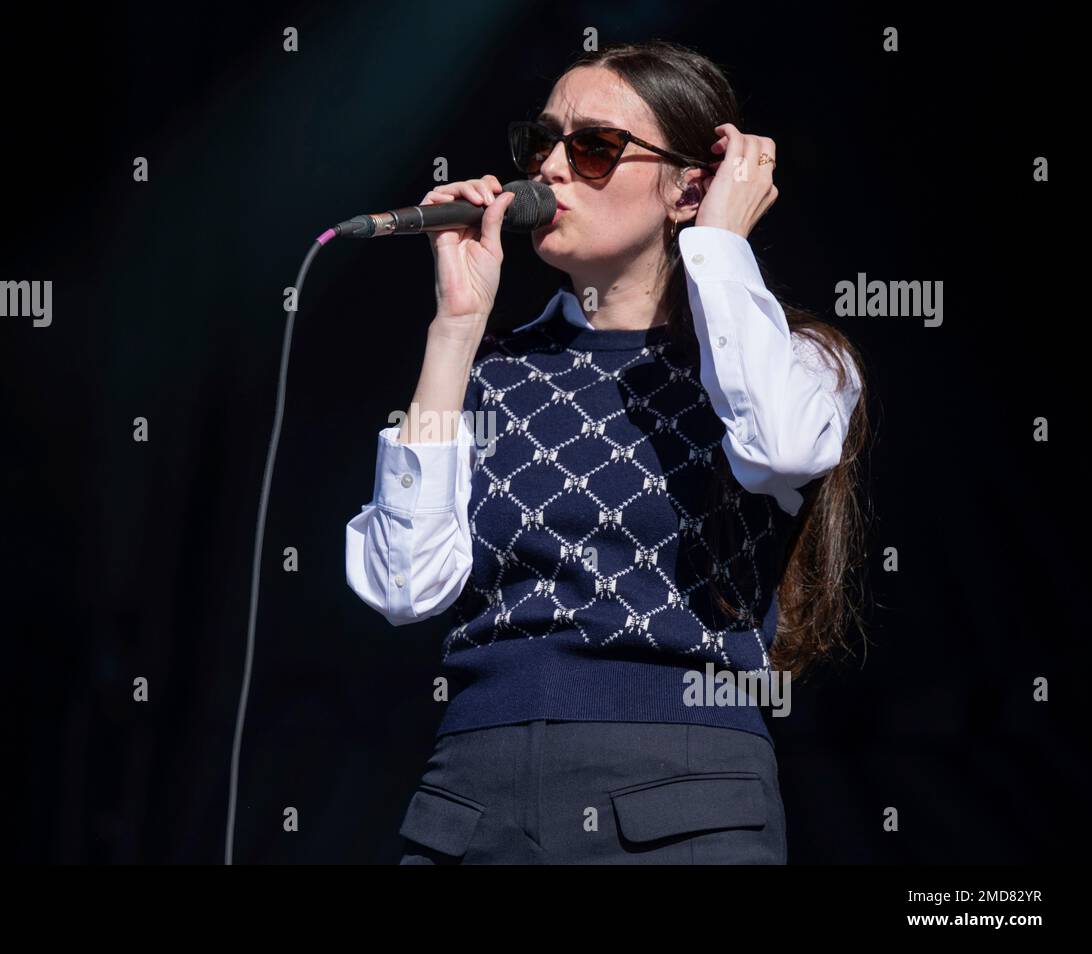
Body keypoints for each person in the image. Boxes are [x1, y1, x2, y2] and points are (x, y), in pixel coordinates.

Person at [344, 38, 870, 864]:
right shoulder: (494, 370)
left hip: (681, 797)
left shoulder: (795, 360)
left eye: (593, 147)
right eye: (540, 142)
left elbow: (781, 449)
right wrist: (455, 330)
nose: (550, 167)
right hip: (471, 804)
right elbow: (403, 586)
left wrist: (719, 241)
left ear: (688, 187)